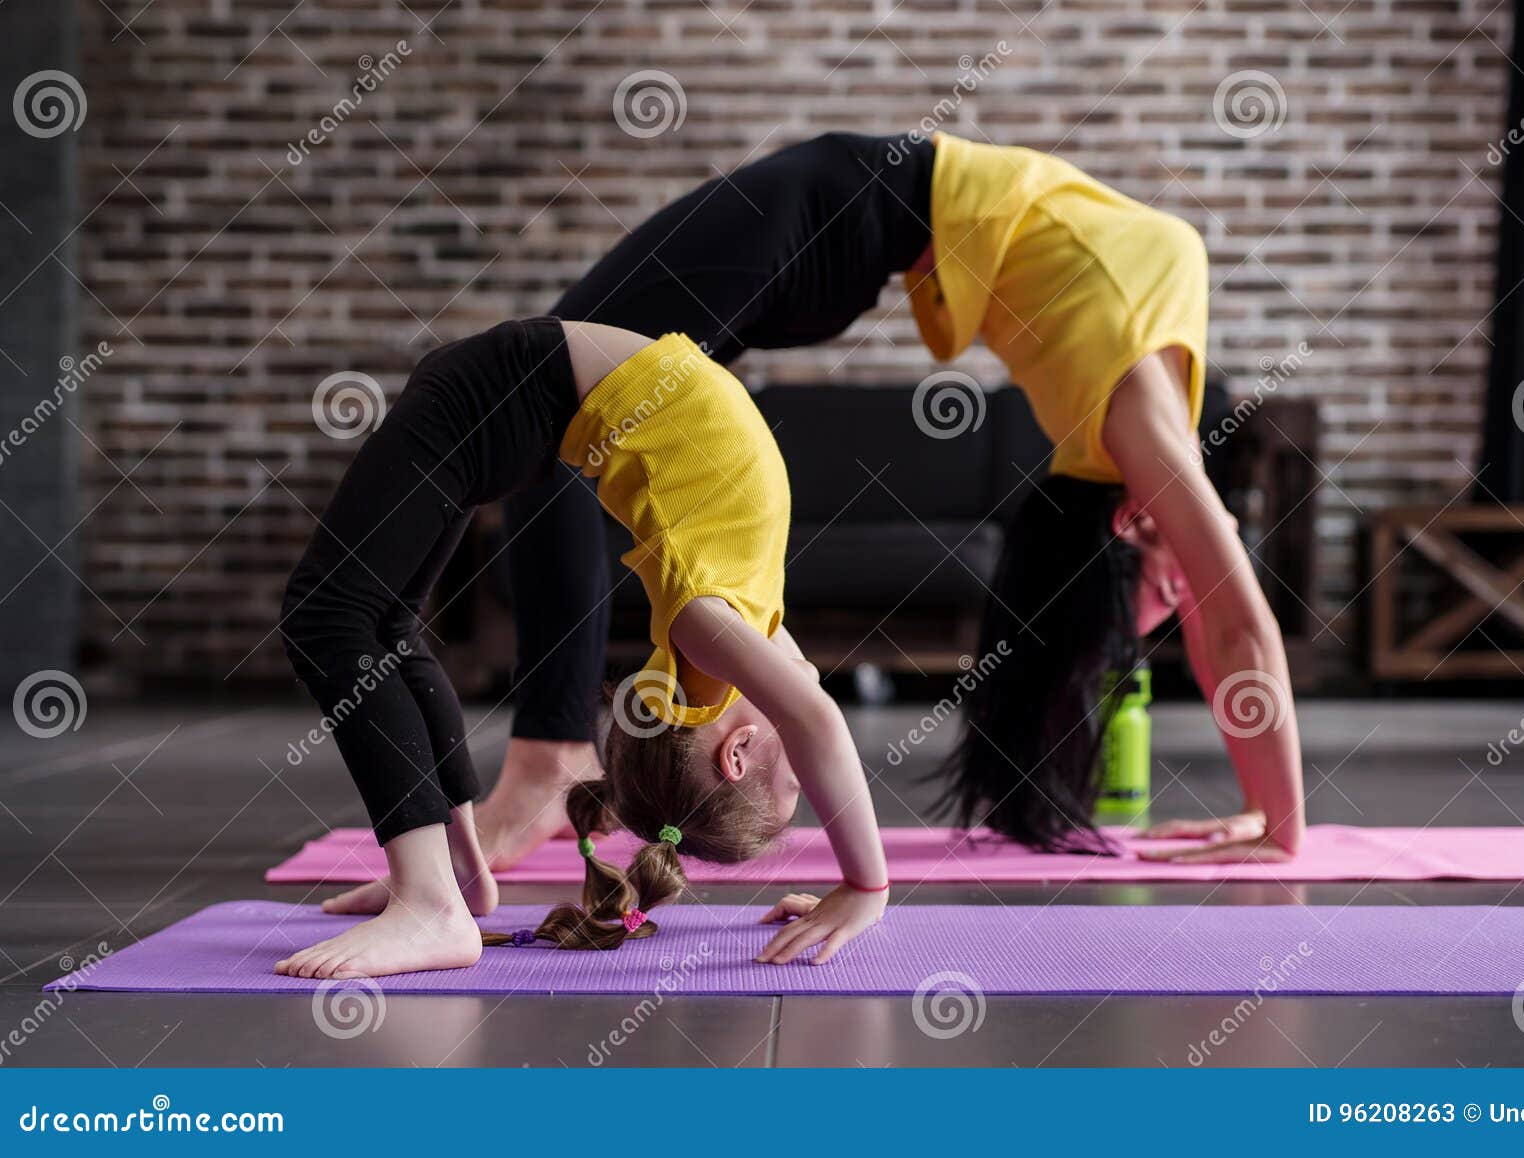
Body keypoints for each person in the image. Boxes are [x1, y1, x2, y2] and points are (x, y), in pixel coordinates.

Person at [477, 129, 1304, 867]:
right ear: (1137, 522)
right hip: (850, 204)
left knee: (553, 405)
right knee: (549, 403)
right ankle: (552, 748)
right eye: (1172, 590)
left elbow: (1219, 630)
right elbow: (1233, 626)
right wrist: (1280, 820)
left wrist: (1268, 811)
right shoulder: (1149, 431)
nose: (1194, 585)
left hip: (849, 231)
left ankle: (553, 753)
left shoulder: (1121, 443)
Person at [276, 318, 889, 979]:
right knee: (385, 624)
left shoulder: (706, 629)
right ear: (737, 752)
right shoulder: (725, 637)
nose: (805, 753)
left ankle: (429, 899)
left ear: (736, 752)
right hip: (519, 399)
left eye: (796, 774)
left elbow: (811, 720)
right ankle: (451, 872)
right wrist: (862, 884)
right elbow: (812, 718)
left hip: (505, 394)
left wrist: (860, 887)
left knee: (331, 616)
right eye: (797, 776)